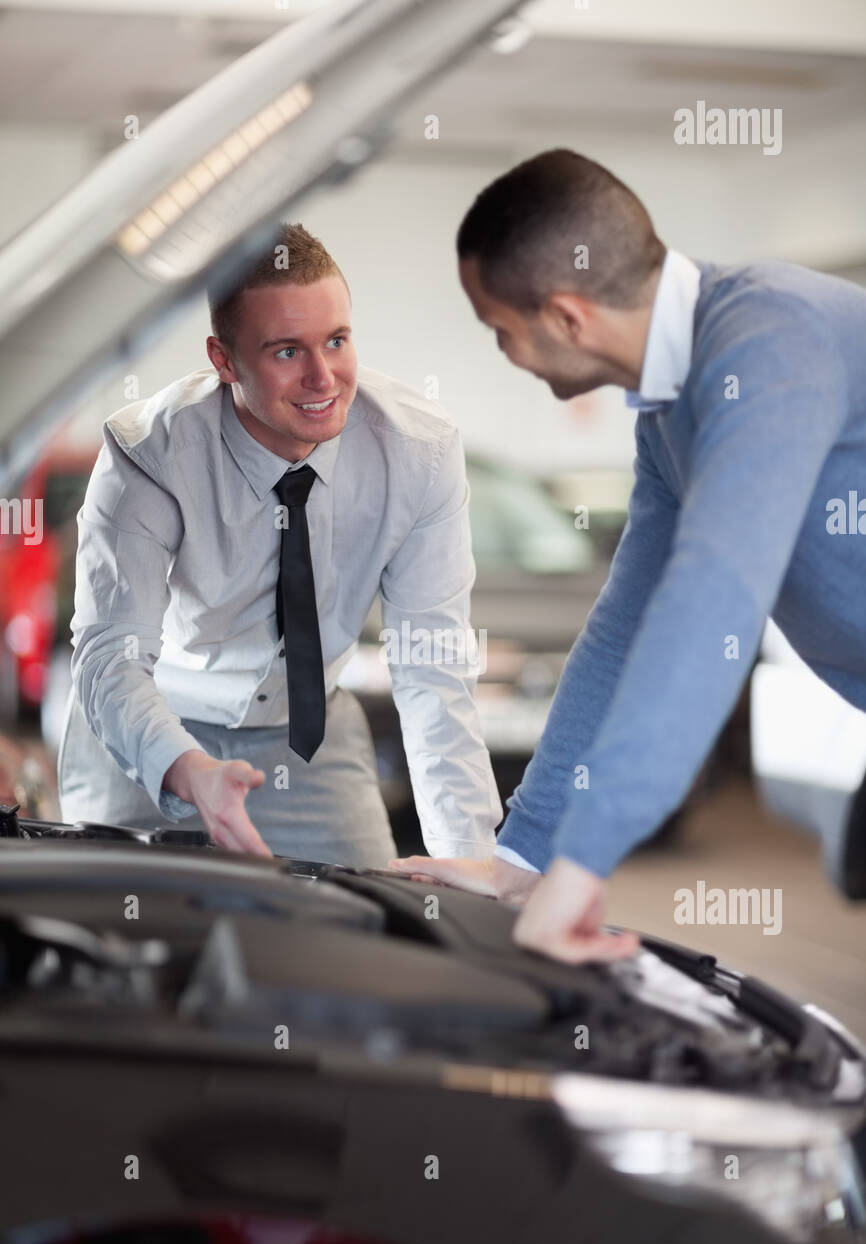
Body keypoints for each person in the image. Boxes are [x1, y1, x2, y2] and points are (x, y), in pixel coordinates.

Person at [390, 147, 866, 963]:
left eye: (499, 329)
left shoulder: (770, 340)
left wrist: (585, 864)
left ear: (568, 316)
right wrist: (525, 857)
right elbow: (625, 630)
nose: (502, 353)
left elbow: (711, 601)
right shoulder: (668, 419)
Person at [58, 223, 501, 867]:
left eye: (337, 341)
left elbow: (431, 663)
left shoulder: (419, 452)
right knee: (122, 948)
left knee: (369, 934)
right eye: (287, 352)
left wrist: (468, 856)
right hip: (150, 733)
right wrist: (187, 769)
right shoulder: (148, 453)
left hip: (308, 743)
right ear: (224, 360)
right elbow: (109, 655)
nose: (324, 378)